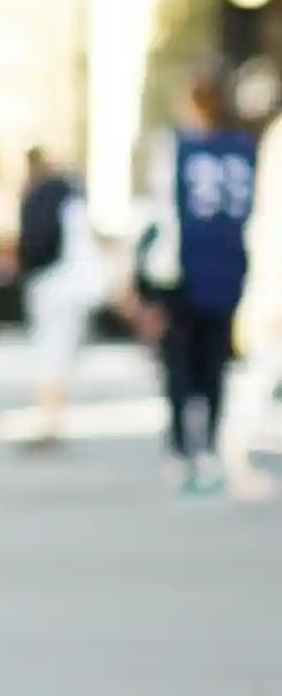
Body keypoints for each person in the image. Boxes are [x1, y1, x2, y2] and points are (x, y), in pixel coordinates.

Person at [133, 62, 256, 495]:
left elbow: (162, 213)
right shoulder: (244, 149)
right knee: (215, 362)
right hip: (228, 268)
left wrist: (143, 278)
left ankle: (184, 448)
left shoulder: (178, 149)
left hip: (182, 270)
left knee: (180, 363)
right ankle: (209, 448)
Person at [15, 148, 106, 448]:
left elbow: (31, 246)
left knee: (50, 356)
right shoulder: (69, 196)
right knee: (59, 357)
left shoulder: (40, 198)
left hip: (50, 287)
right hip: (71, 287)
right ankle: (52, 420)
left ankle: (49, 422)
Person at [219, 109, 282, 499]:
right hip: (274, 278)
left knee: (260, 374)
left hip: (269, 273)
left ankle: (237, 459)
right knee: (261, 374)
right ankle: (237, 461)